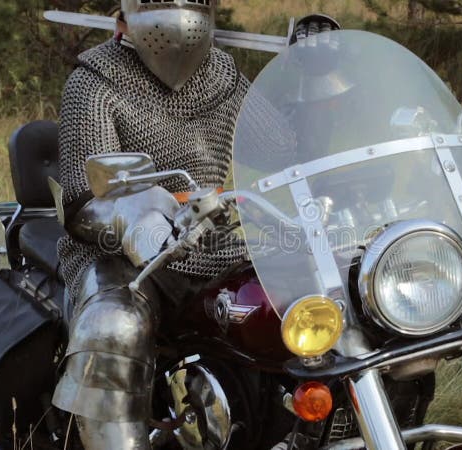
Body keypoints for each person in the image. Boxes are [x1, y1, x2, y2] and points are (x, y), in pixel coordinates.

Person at [51, 1, 339, 448]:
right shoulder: (95, 81)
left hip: (213, 236)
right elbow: (84, 201)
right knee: (115, 325)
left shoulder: (221, 77)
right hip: (118, 253)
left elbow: (282, 148)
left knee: (315, 298)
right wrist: (143, 228)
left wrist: (306, 79)